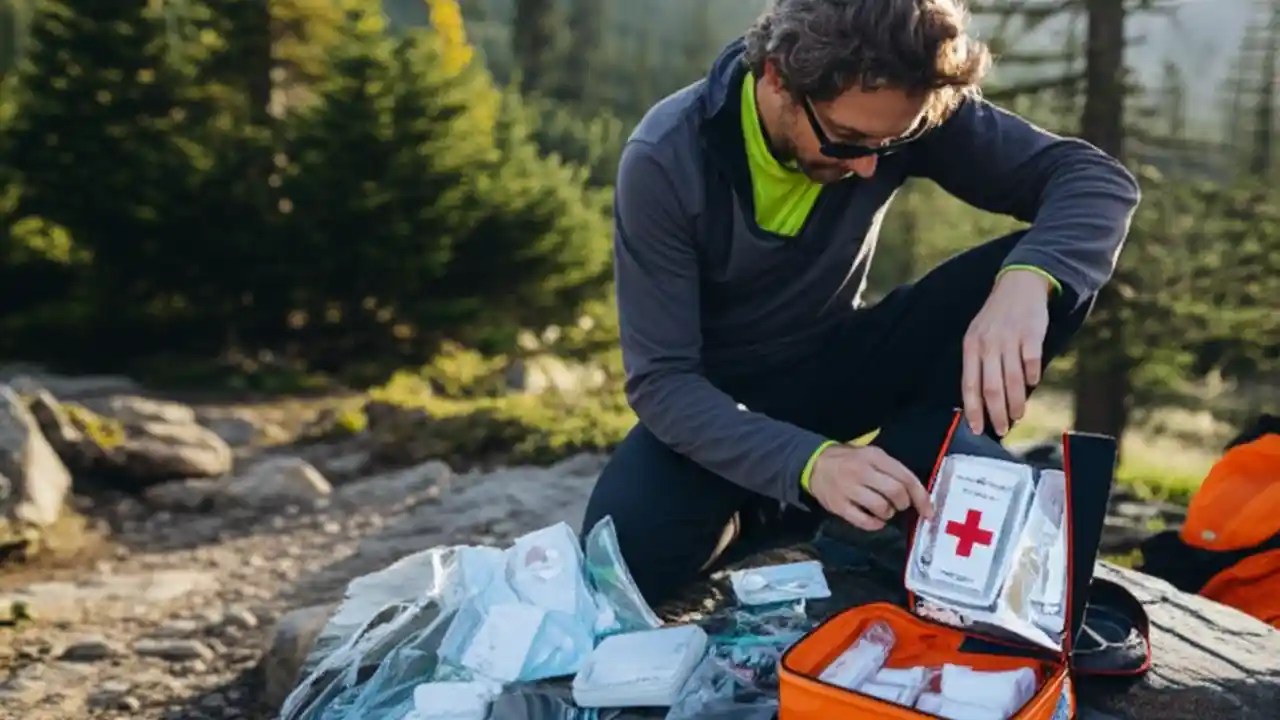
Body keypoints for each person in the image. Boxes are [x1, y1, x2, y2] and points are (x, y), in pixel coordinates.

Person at [582, 0, 1141, 609]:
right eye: (848, 141)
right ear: (777, 79)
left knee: (1050, 272)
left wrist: (1028, 283)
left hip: (839, 363)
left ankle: (919, 466)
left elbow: (1095, 184)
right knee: (621, 567)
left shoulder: (900, 115)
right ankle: (788, 508)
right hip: (722, 403)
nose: (871, 164)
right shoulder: (666, 157)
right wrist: (809, 463)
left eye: (890, 142)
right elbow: (662, 382)